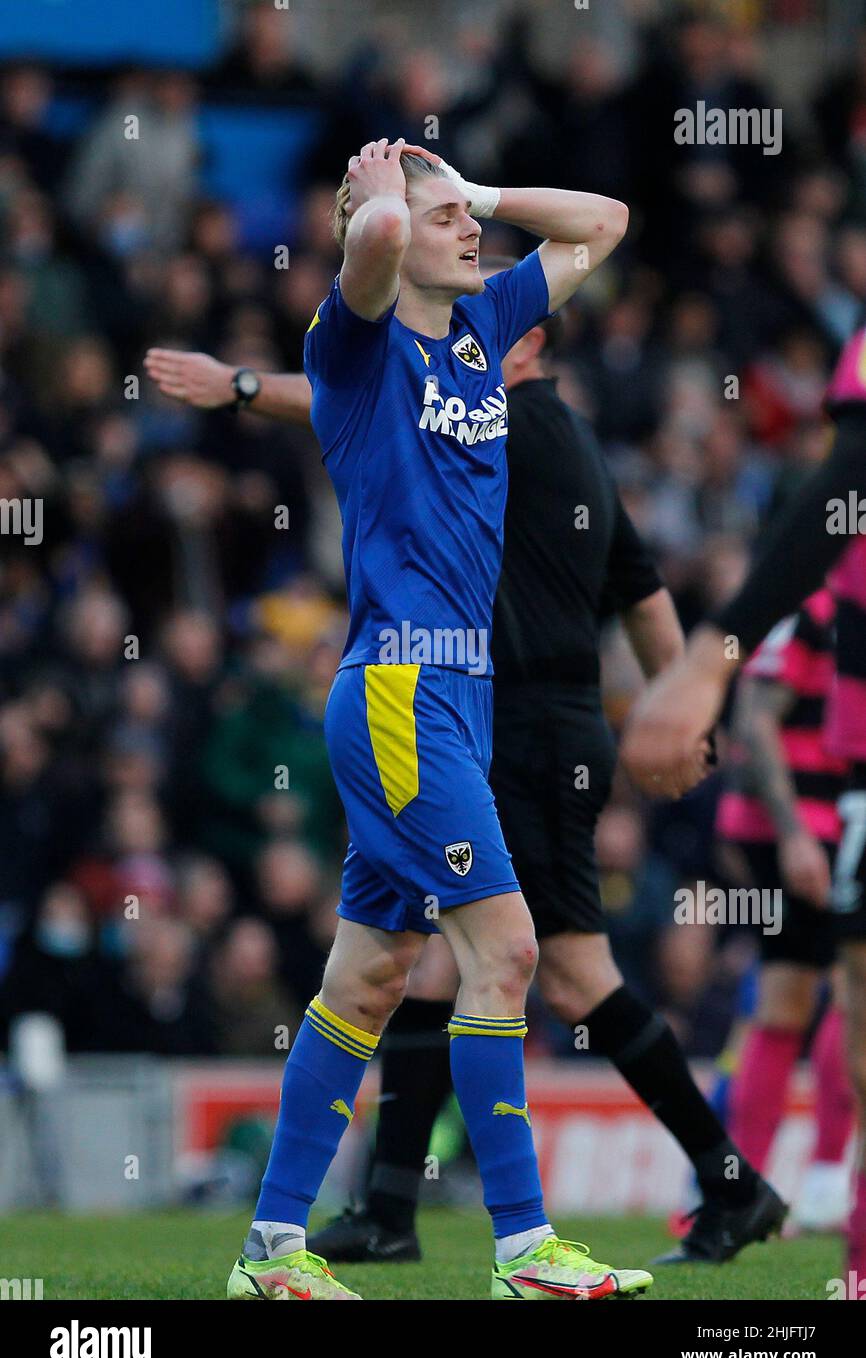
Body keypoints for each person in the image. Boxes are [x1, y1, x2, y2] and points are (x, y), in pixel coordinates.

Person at [148, 253, 786, 1268]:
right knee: (425, 962)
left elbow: (347, 396)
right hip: (493, 717)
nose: (464, 338)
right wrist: (682, 705)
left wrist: (236, 388)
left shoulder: (494, 423)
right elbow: (643, 588)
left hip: (505, 722)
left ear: (523, 344)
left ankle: (679, 1189)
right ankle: (373, 1220)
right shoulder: (567, 441)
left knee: (535, 966)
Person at [620, 322, 866, 1284]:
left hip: (816, 807)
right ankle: (762, 1192)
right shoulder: (815, 576)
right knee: (803, 995)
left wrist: (704, 660)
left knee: (810, 995)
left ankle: (783, 1187)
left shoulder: (816, 563)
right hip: (800, 815)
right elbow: (759, 714)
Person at [715, 591, 853, 1223]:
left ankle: (747, 1185)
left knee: (788, 998)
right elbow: (754, 720)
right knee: (838, 990)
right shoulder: (813, 611)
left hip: (811, 830)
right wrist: (795, 833)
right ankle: (817, 1176)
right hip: (807, 831)